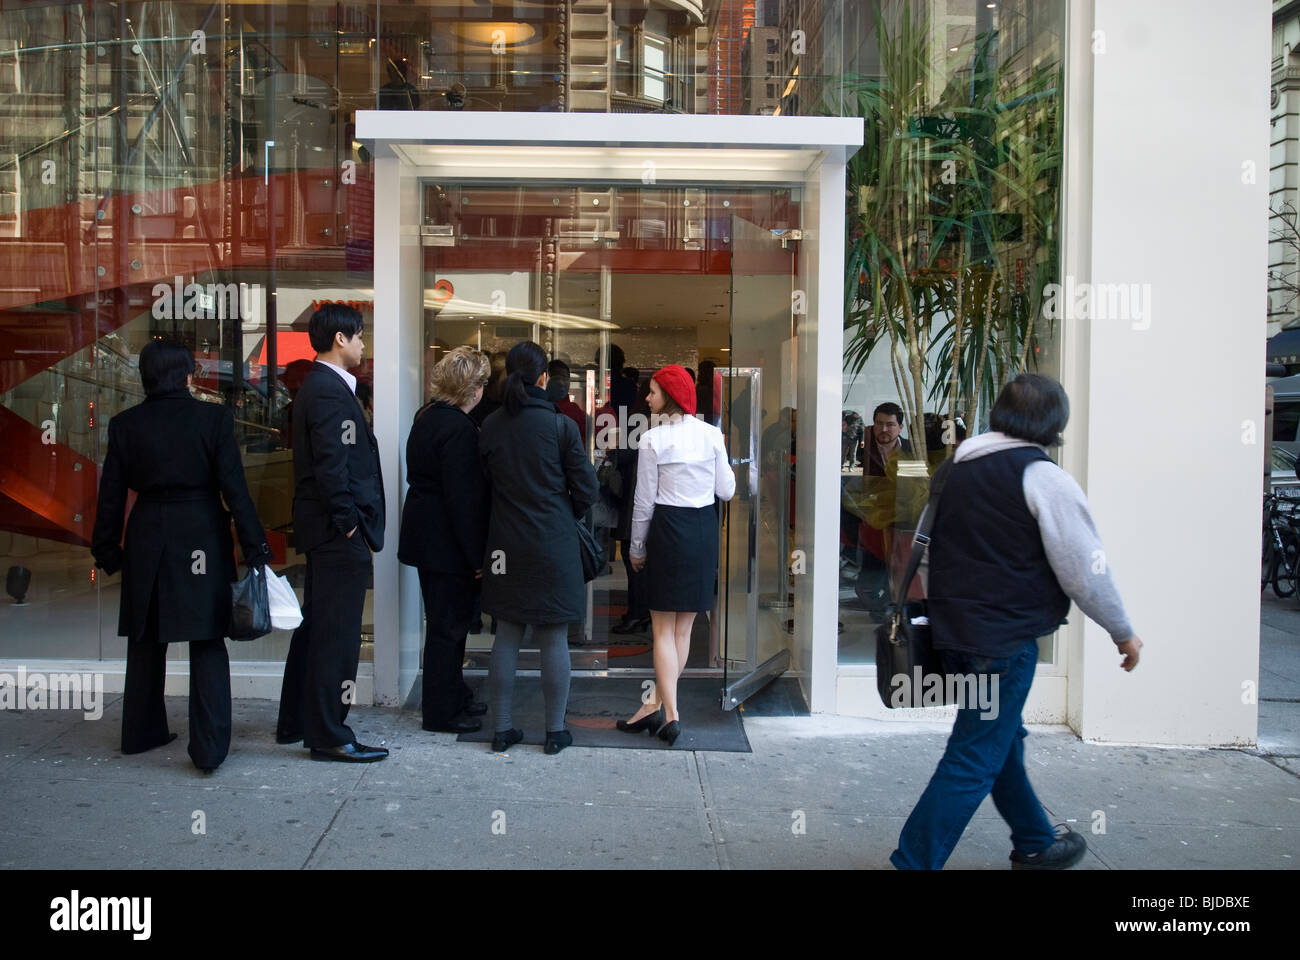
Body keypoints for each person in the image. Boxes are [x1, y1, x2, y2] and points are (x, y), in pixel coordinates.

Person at [890, 374, 1143, 870]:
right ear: (1055, 423)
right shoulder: (1042, 477)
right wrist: (1122, 630)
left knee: (999, 738)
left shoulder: (955, 469)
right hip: (1002, 642)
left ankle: (1035, 841)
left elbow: (926, 548)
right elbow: (1085, 570)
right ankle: (911, 863)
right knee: (973, 757)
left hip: (955, 633)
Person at [91, 339, 271, 774]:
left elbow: (112, 495)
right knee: (207, 639)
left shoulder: (125, 425)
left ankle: (140, 733)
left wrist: (107, 551)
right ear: (188, 375)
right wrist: (255, 547)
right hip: (201, 533)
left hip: (148, 532)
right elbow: (235, 490)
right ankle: (208, 748)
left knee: (146, 640)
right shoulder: (212, 420)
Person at [275, 304, 388, 763]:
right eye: (360, 336)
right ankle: (328, 733)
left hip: (330, 529)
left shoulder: (327, 387)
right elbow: (330, 466)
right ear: (340, 339)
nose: (364, 344)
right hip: (335, 531)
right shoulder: (326, 391)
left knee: (317, 628)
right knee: (336, 636)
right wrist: (349, 525)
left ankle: (297, 721)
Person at [479, 341, 599, 755]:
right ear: (543, 377)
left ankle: (502, 730)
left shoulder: (491, 425)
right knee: (553, 637)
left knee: (507, 635)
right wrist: (565, 512)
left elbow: (481, 490)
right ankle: (554, 732)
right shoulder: (560, 426)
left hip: (504, 547)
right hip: (553, 544)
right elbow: (587, 488)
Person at [619, 364, 736, 746]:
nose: (648, 398)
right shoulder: (712, 435)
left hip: (668, 529)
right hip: (702, 529)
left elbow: (643, 502)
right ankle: (653, 705)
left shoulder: (653, 440)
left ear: (668, 396)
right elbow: (727, 490)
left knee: (661, 630)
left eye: (652, 392)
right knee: (683, 629)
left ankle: (671, 714)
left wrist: (636, 547)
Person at [398, 347, 491, 735]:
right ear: (471, 389)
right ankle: (441, 711)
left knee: (443, 625)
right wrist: (477, 558)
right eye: (482, 383)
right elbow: (463, 501)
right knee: (447, 629)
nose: (484, 390)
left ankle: (454, 695)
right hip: (447, 545)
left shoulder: (426, 418)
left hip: (425, 537)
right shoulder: (459, 429)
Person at [547, 358, 586, 445]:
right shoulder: (540, 407)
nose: (561, 382)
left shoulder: (575, 410)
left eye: (564, 378)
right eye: (556, 378)